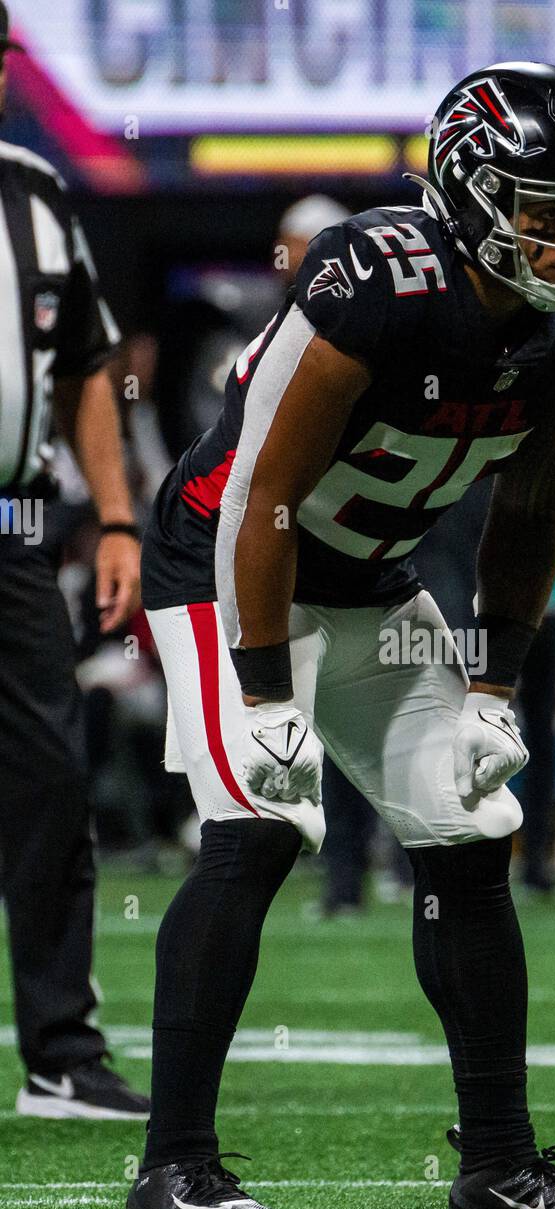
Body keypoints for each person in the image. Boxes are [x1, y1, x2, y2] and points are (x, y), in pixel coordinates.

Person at [127, 61, 555, 1209]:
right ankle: (174, 1165)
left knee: (468, 831)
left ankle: (498, 1164)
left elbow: (531, 507)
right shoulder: (375, 278)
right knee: (256, 827)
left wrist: (496, 682)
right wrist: (262, 687)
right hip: (227, 563)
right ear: (467, 191)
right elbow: (260, 491)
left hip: (371, 579)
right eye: (546, 212)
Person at [0, 4, 149, 1116]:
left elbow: (89, 364)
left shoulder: (37, 196)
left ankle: (60, 1047)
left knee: (50, 779)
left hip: (13, 531)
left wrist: (114, 517)